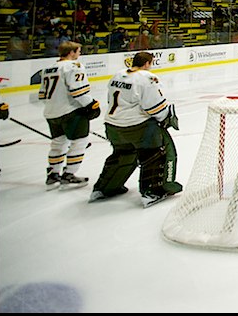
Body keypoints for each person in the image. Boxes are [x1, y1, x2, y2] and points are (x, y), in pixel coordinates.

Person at [90, 51, 181, 207]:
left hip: (112, 125)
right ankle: (152, 192)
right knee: (156, 154)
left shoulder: (117, 75)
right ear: (147, 64)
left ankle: (104, 188)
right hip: (137, 127)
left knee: (123, 154)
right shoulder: (147, 79)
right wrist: (167, 118)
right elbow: (155, 108)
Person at [39, 41, 99, 190]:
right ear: (71, 52)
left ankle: (53, 174)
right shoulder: (73, 66)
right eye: (78, 51)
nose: (80, 54)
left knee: (58, 143)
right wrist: (90, 104)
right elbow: (78, 91)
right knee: (80, 142)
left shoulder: (48, 69)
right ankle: (69, 174)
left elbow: (42, 95)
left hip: (51, 112)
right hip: (70, 111)